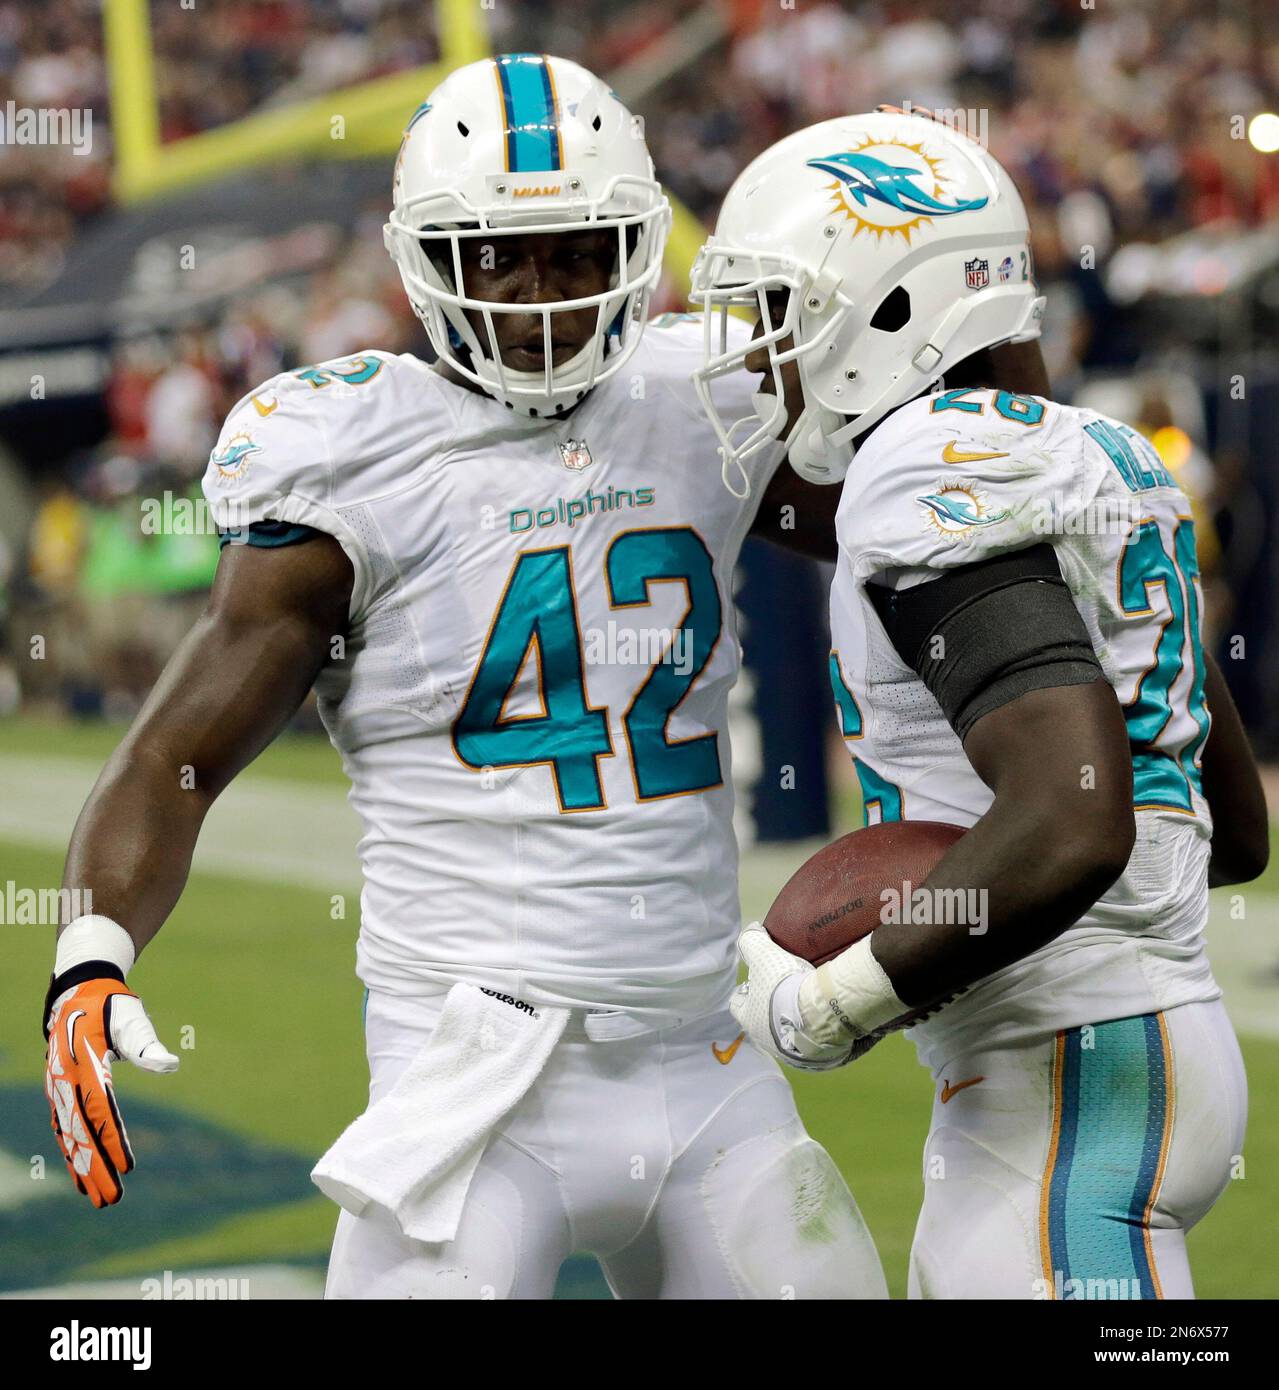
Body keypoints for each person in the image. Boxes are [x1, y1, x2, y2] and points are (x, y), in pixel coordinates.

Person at [41, 54, 886, 1301]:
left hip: (707, 1054)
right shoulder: (351, 454)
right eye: (501, 255)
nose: (542, 293)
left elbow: (911, 535)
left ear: (635, 249)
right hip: (471, 1082)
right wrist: (91, 954)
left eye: (579, 250)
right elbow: (180, 753)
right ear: (431, 263)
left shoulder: (707, 397)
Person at [691, 107, 1269, 1299]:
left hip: (1074, 1072)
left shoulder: (931, 473)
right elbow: (1232, 830)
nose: (757, 354)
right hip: (1137, 1038)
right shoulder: (1089, 451)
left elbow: (1071, 815)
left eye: (779, 313)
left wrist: (837, 997)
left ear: (889, 308)